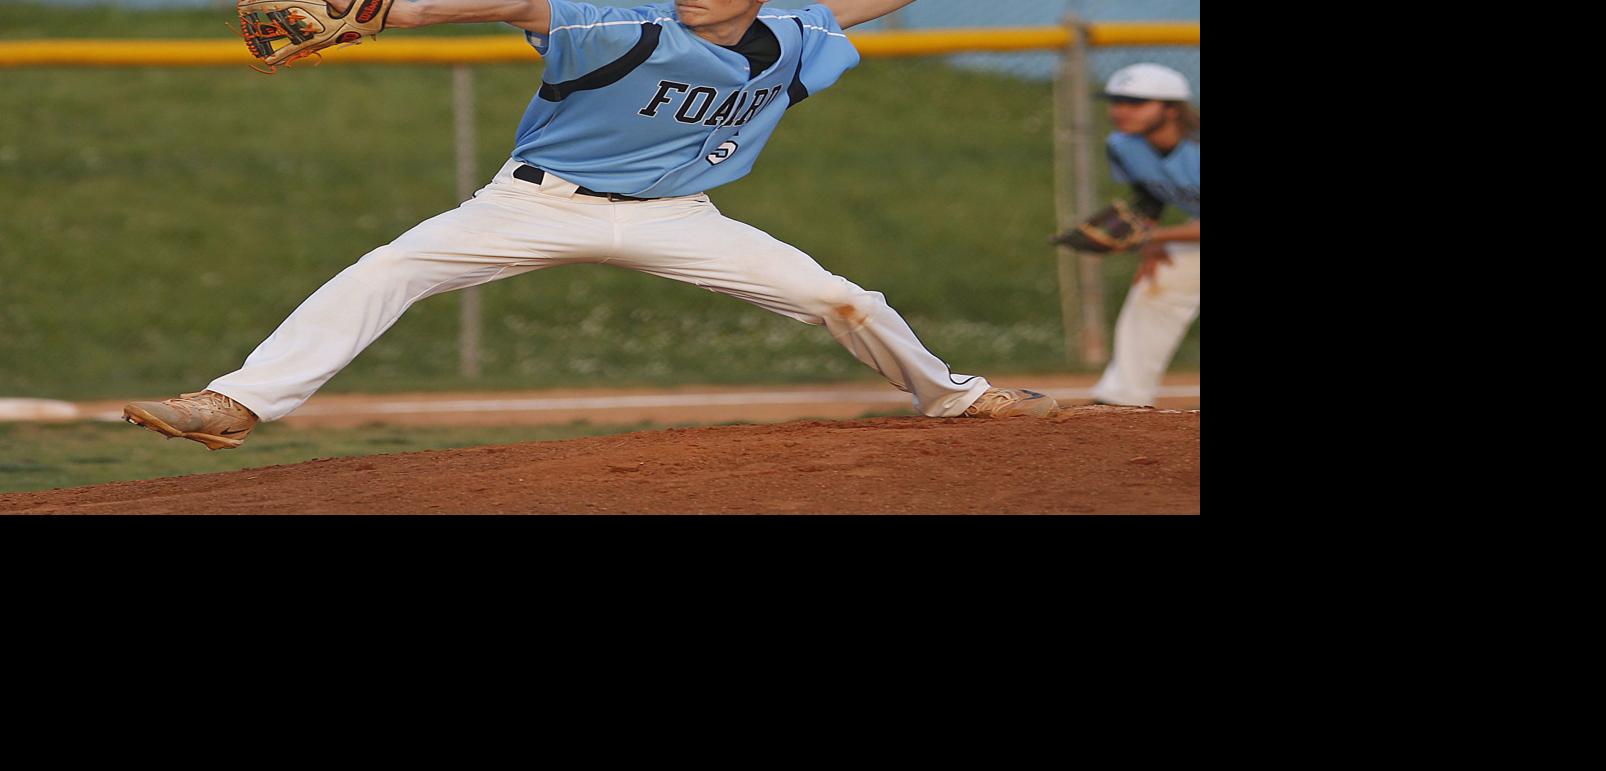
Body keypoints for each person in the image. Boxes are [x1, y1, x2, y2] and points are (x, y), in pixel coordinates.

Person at [122, 0, 1058, 451]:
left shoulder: (804, 34)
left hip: (681, 219)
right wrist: (390, 11)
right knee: (385, 269)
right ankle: (234, 402)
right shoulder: (625, 22)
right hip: (533, 202)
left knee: (843, 299)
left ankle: (956, 398)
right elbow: (514, 1)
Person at [1058, 63, 1199, 408]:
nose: (1120, 110)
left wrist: (1150, 239)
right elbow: (1150, 197)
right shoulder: (1123, 145)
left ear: (1171, 108)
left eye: (1135, 102)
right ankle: (1122, 400)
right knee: (1159, 283)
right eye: (1116, 101)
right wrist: (1150, 245)